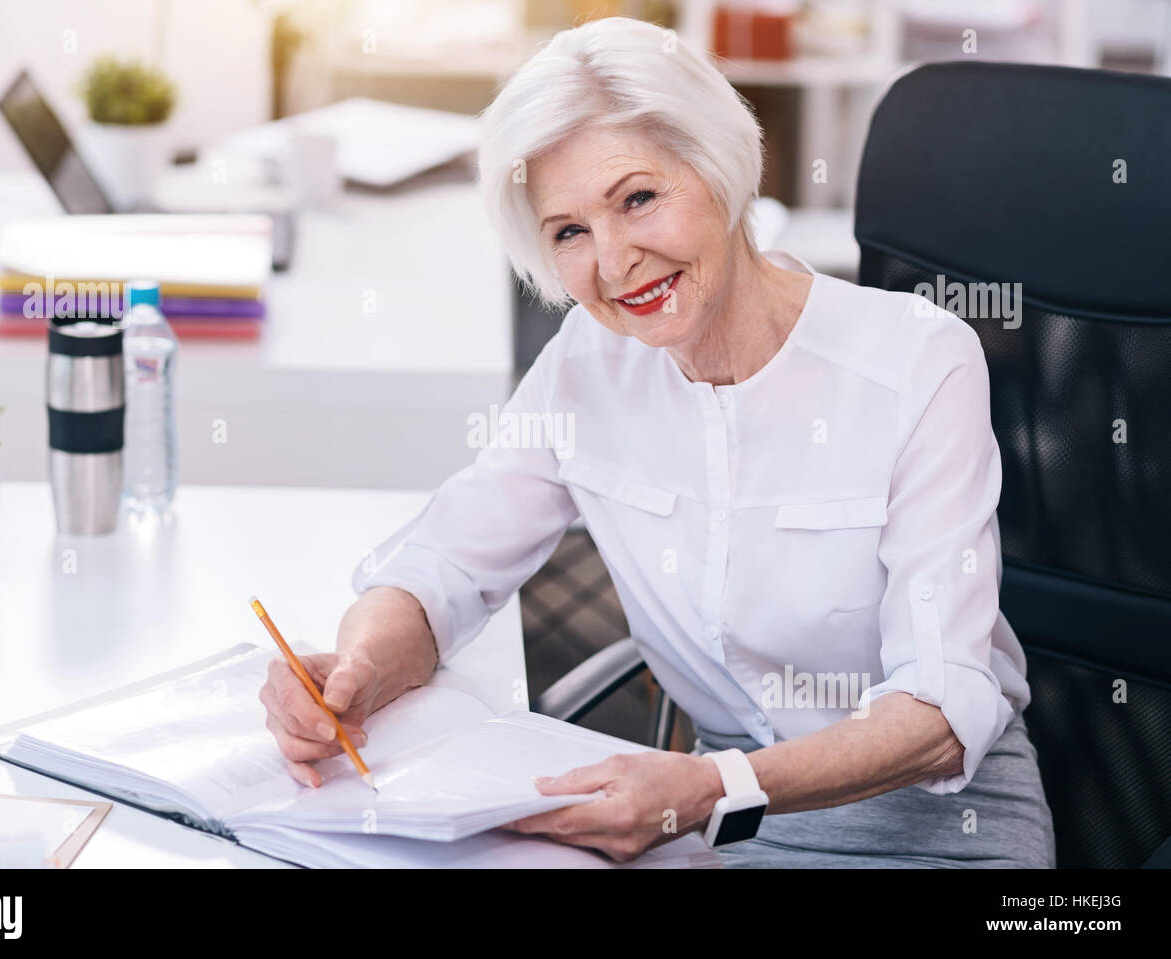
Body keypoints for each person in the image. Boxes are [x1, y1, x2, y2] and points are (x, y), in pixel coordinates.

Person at [258, 16, 1055, 867]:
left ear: (720, 169)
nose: (613, 261)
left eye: (638, 199)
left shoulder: (917, 361)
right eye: (568, 231)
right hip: (703, 832)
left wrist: (717, 789)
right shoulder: (586, 366)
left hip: (930, 836)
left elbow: (942, 711)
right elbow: (442, 566)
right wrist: (354, 674)